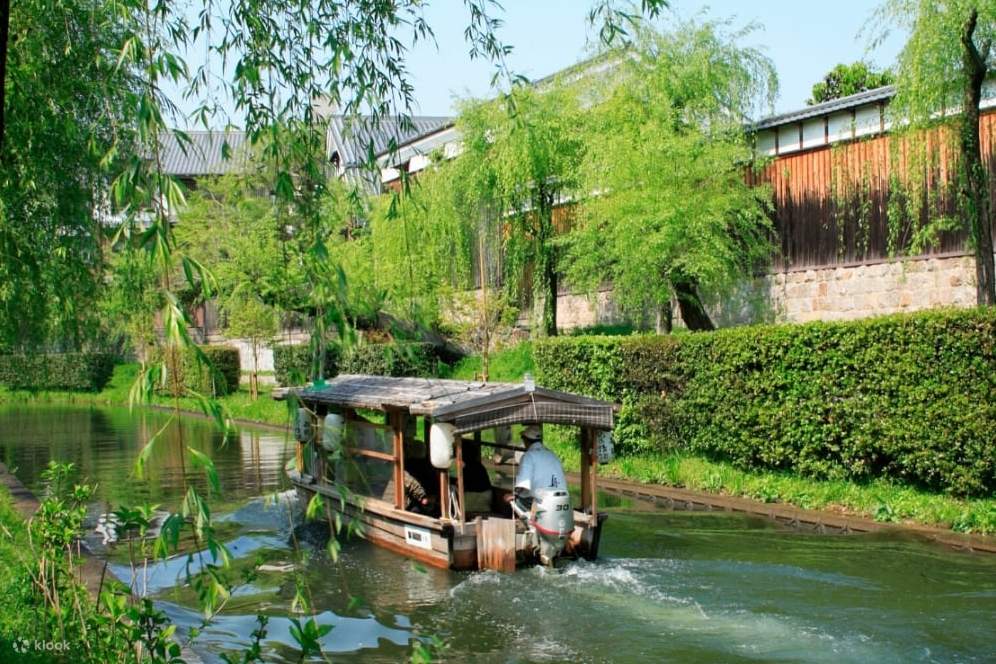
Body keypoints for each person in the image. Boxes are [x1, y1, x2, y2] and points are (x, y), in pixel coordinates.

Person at [505, 424, 567, 512]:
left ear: (526, 440)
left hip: (544, 503)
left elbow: (523, 484)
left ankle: (526, 521)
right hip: (562, 500)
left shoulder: (528, 456)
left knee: (511, 499)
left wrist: (512, 495)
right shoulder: (552, 454)